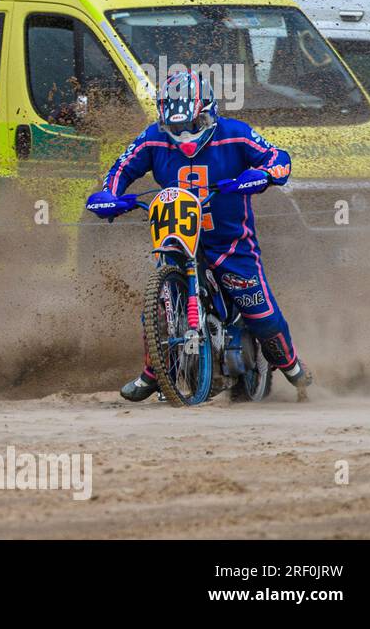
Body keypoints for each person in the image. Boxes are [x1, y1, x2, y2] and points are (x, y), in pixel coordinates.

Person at [87, 70, 312, 402]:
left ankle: (293, 367)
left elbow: (279, 160)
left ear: (210, 112)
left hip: (230, 243)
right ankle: (155, 372)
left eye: (193, 124)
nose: (185, 135)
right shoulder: (152, 138)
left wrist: (261, 175)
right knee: (161, 305)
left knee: (260, 313)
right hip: (175, 237)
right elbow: (121, 168)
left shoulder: (236, 134)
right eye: (176, 128)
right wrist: (110, 195)